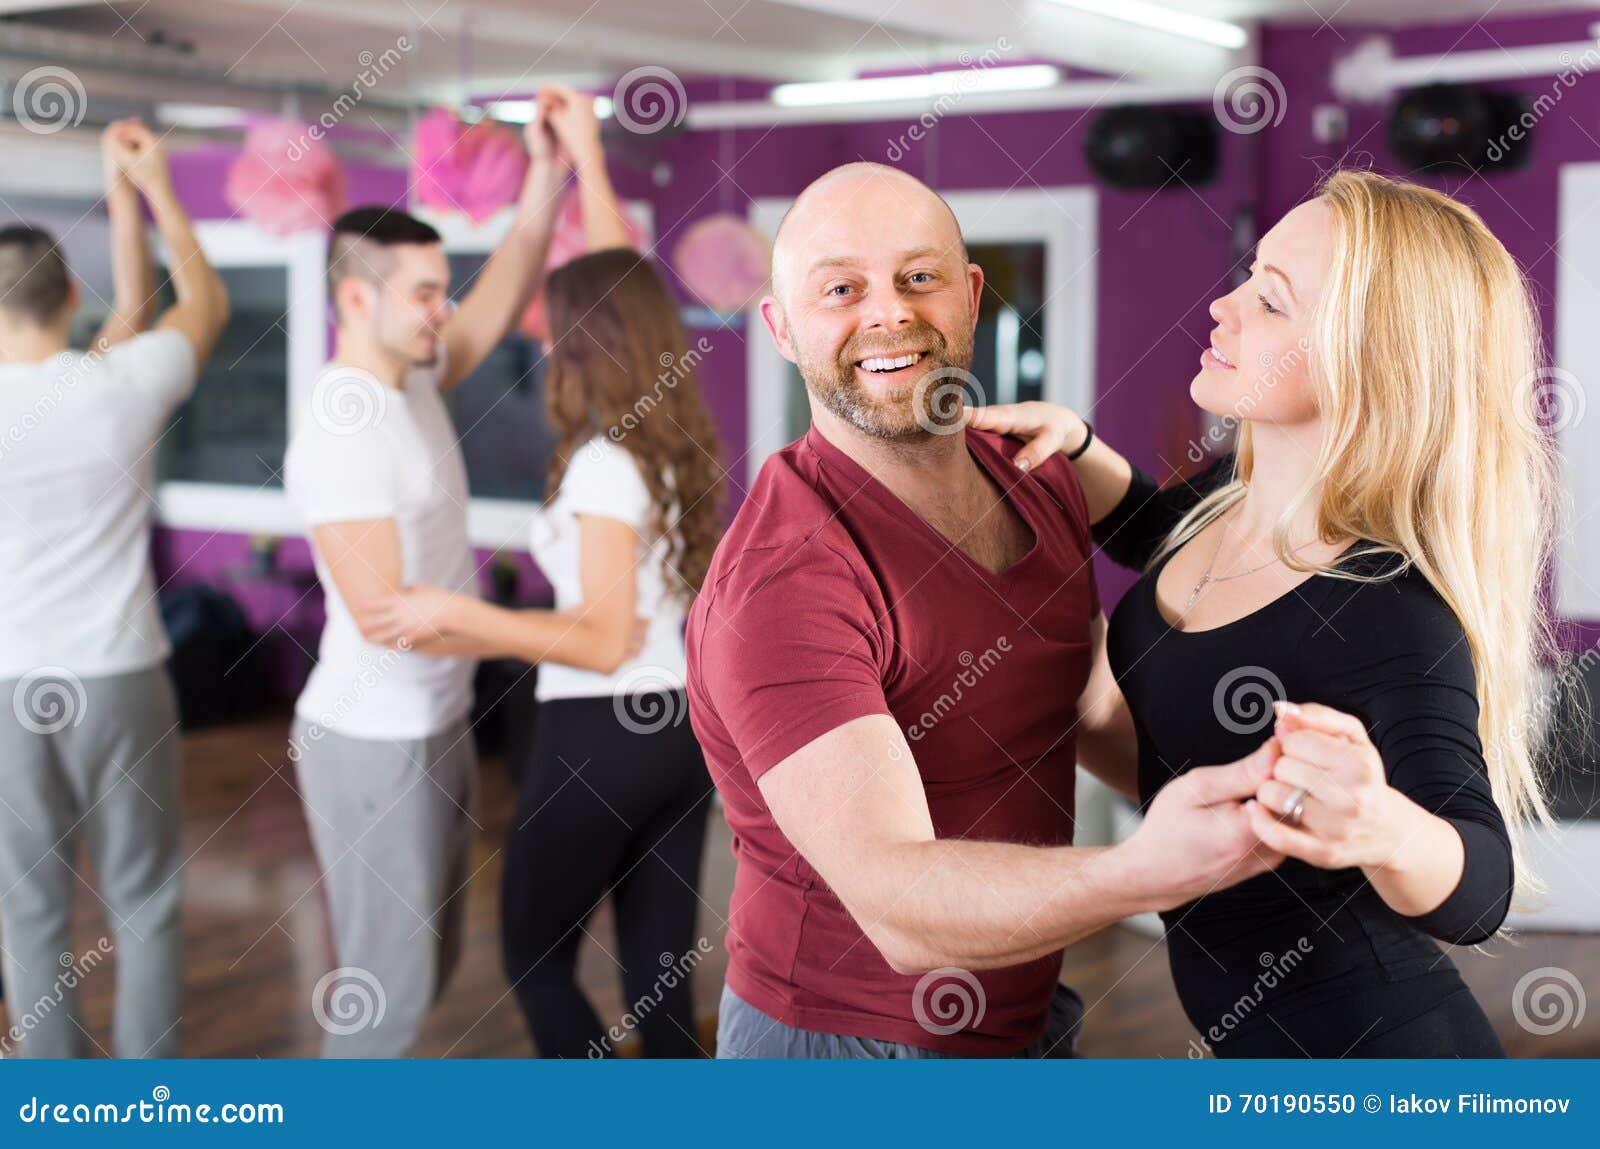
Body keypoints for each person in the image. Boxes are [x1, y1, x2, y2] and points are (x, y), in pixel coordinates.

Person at [685, 162, 1290, 1060]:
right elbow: (900, 908)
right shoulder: (786, 580)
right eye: (841, 289)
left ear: (969, 296)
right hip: (842, 1043)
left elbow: (1079, 711)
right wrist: (1146, 867)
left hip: (1020, 1005)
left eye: (918, 277)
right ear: (779, 327)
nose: (888, 312)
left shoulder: (1038, 474)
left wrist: (1265, 811)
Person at [968, 168, 1552, 1057]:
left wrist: (1378, 823)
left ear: (1368, 361)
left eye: (1271, 303)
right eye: (1249, 277)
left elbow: (1481, 888)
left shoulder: (1387, 611)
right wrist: (1074, 444)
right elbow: (1153, 532)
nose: (1224, 308)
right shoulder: (1225, 504)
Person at [368, 91, 725, 1059]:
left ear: (582, 345)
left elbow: (603, 638)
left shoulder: (608, 464)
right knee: (658, 990)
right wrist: (585, 164)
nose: (541, 338)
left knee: (535, 956)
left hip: (597, 732)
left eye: (556, 327)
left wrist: (466, 616)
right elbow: (622, 290)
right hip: (682, 734)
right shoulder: (674, 437)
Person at [282, 89, 573, 1058]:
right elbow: (381, 615)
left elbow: (504, 288)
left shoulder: (409, 378)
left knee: (429, 967)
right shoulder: (344, 425)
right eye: (421, 293)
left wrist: (545, 170)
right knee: (390, 992)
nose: (441, 309)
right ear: (355, 297)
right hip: (372, 738)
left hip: (434, 722)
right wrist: (559, 639)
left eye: (440, 288)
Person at [0, 119, 229, 1057]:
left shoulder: (99, 378)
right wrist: (150, 190)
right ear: (72, 299)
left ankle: (49, 1101)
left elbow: (135, 319)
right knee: (145, 901)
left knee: (30, 910)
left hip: (9, 686)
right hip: (120, 676)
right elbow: (199, 305)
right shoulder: (112, 385)